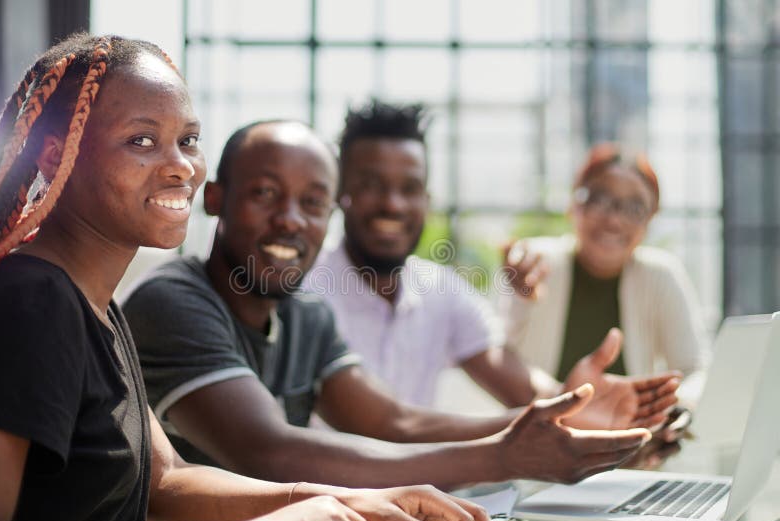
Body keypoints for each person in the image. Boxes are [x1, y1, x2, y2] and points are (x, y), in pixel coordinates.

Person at [0, 33, 495, 521]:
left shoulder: (99, 306)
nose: (181, 166)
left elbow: (167, 483)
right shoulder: (33, 301)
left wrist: (351, 503)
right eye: (142, 140)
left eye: (188, 141)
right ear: (53, 157)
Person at [122, 118, 676, 492]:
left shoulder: (303, 315)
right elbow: (270, 452)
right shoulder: (173, 302)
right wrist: (504, 455)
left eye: (311, 202)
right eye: (266, 194)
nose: (291, 219)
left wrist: (554, 420)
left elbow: (395, 420)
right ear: (214, 200)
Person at [304, 100, 680, 417]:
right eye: (371, 186)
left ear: (428, 200)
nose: (392, 204)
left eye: (410, 188)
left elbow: (517, 381)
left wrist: (582, 404)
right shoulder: (302, 292)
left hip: (418, 498)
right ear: (340, 193)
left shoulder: (441, 292)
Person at [499, 143, 710, 408]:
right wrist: (522, 296)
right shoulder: (538, 264)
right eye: (599, 199)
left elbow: (695, 370)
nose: (614, 220)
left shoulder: (661, 275)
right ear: (574, 204)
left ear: (649, 220)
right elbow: (502, 353)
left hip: (633, 442)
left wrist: (663, 407)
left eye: (634, 208)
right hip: (543, 435)